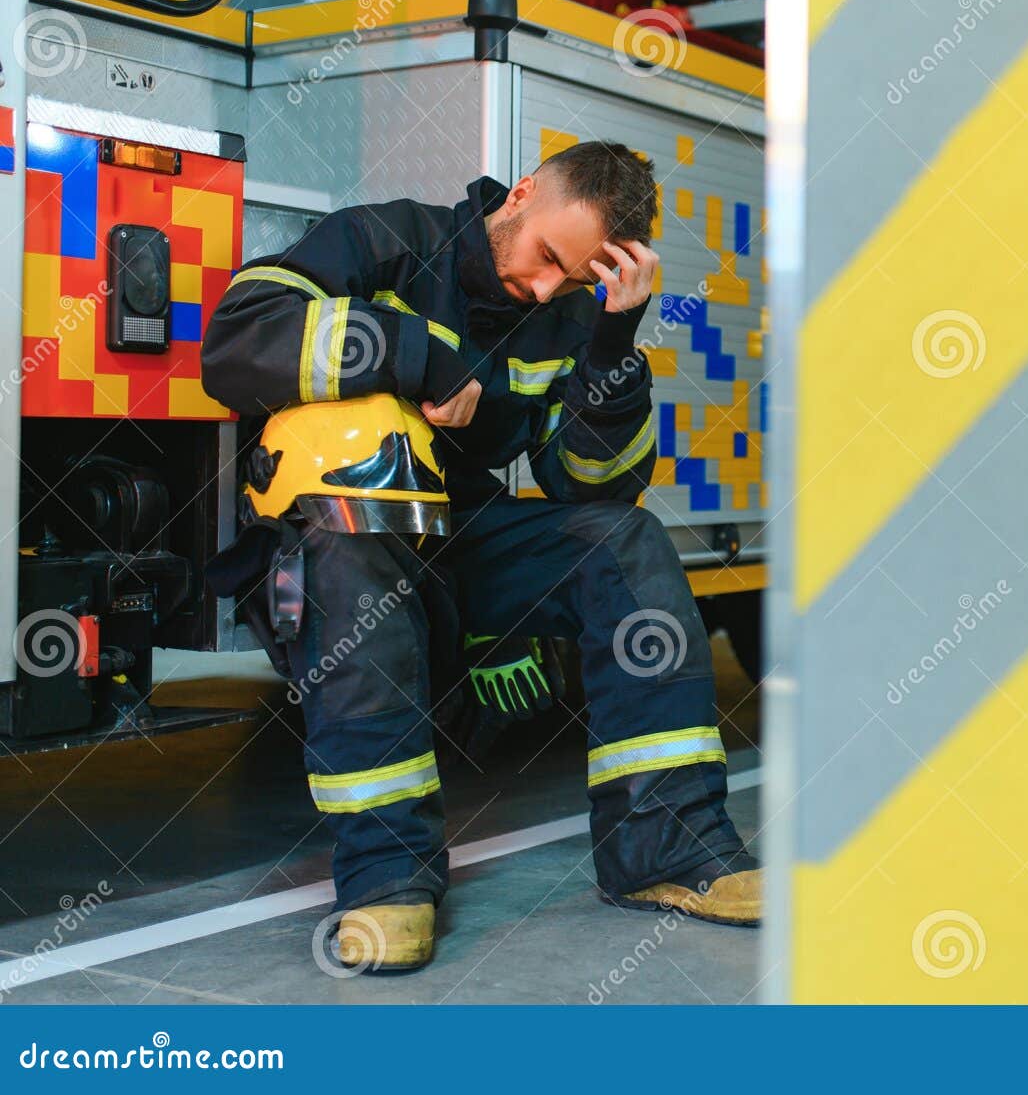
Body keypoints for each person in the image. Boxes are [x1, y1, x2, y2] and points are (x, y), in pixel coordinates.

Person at [201, 141, 760, 972]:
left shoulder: (571, 314)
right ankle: (387, 878)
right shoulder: (381, 241)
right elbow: (237, 343)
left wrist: (610, 345)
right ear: (523, 193)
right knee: (358, 553)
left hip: (459, 542)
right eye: (546, 259)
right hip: (336, 541)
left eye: (571, 280)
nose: (544, 289)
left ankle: (669, 849)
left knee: (625, 543)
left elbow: (588, 486)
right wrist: (409, 350)